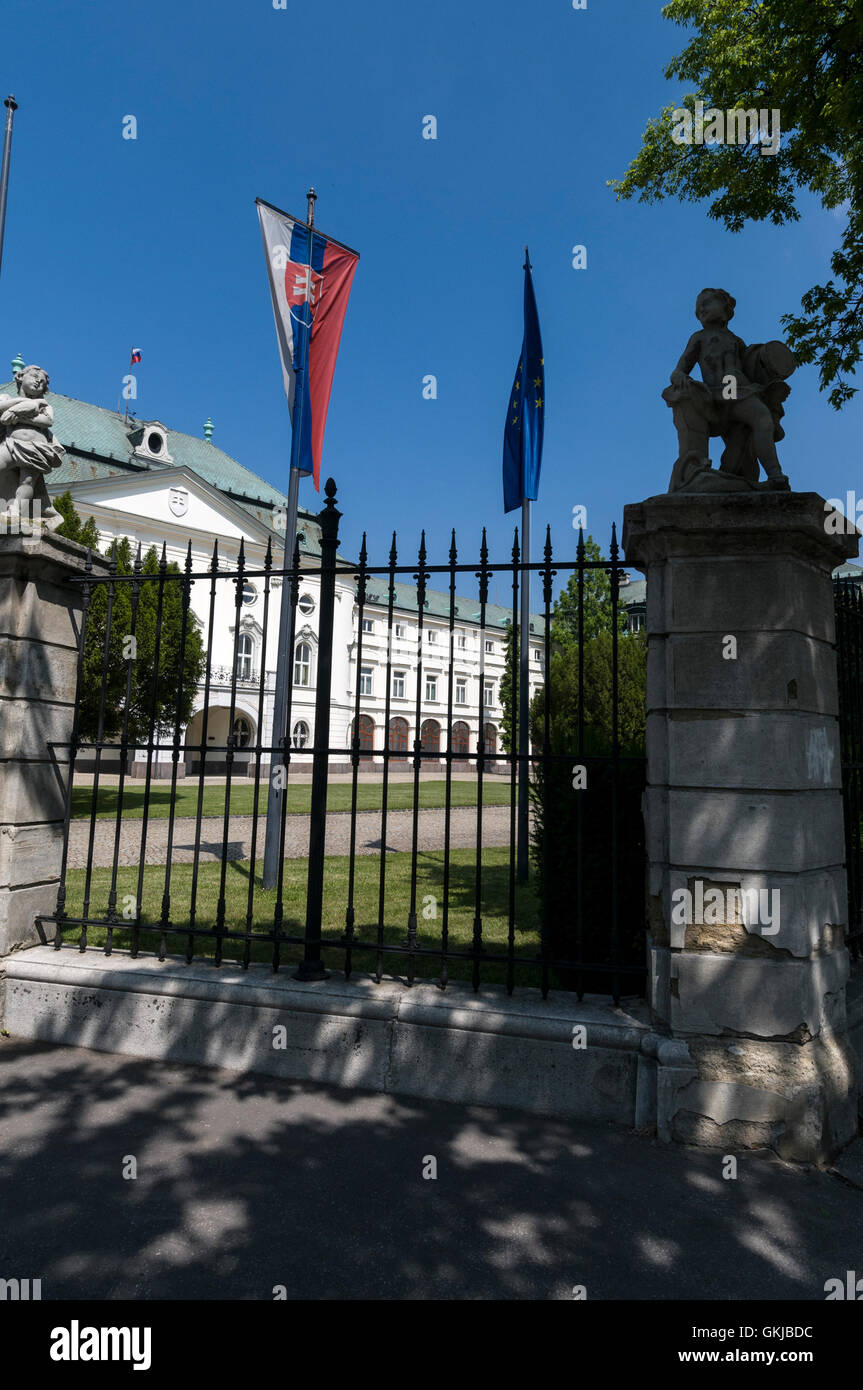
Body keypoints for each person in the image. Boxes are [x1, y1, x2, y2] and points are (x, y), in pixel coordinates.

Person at [664, 288, 791, 492]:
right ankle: (696, 468)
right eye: (697, 309)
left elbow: (754, 366)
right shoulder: (699, 337)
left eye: (706, 302)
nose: (700, 309)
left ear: (725, 307)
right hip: (714, 395)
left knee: (763, 420)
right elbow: (680, 368)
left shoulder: (736, 341)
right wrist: (678, 376)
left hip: (738, 391)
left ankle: (775, 475)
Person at [0, 364, 66, 529]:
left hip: (37, 448)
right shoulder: (6, 398)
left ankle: (15, 510)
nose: (38, 382)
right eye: (34, 377)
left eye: (42, 382)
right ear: (20, 377)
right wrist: (24, 403)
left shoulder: (45, 405)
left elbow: (47, 421)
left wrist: (16, 415)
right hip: (11, 444)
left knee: (27, 482)